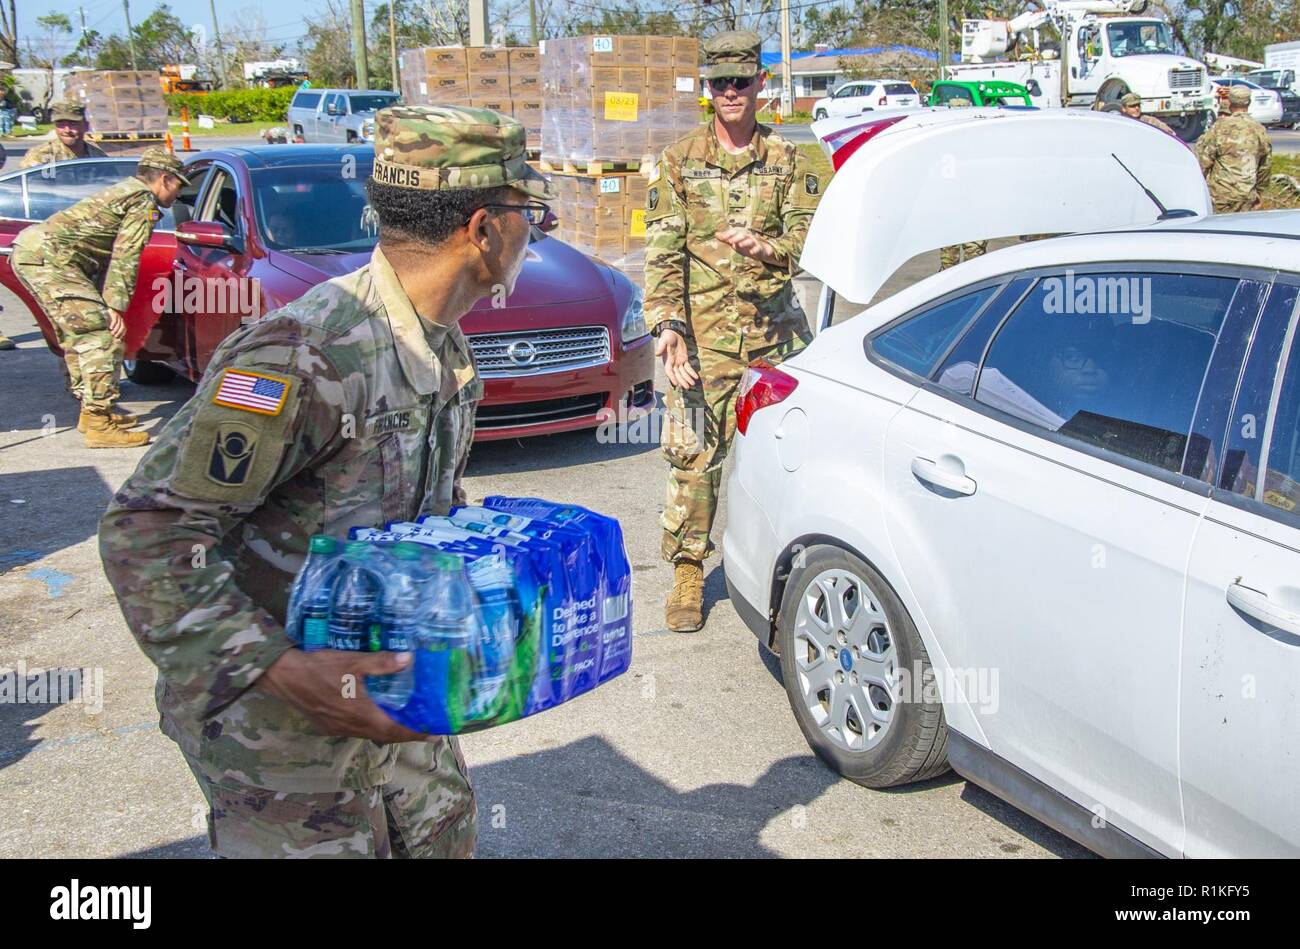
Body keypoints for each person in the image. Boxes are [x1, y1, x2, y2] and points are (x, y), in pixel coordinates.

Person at [99, 106, 554, 859]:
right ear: (483, 227)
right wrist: (279, 668)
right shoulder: (304, 353)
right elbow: (148, 527)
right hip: (281, 732)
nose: (530, 232)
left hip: (392, 704)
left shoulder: (439, 343)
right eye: (526, 211)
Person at [645, 30, 821, 633]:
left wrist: (765, 247)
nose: (729, 92)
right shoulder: (678, 159)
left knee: (794, 452)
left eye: (740, 81)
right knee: (693, 454)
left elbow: (806, 245)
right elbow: (663, 251)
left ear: (761, 85)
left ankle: (793, 562)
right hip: (703, 335)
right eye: (718, 83)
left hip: (777, 337)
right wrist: (666, 325)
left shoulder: (792, 160)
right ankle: (689, 570)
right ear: (707, 90)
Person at [11, 146, 188, 447]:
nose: (178, 195)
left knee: (80, 334)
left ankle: (90, 412)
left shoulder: (126, 190)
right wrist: (115, 307)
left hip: (39, 256)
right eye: (179, 186)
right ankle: (98, 422)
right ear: (165, 178)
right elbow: (126, 255)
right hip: (52, 261)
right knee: (101, 335)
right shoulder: (142, 200)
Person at [1195, 84, 1272, 213]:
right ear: (1249, 103)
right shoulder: (1259, 130)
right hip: (1247, 196)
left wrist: (1196, 187)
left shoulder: (1220, 128)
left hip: (1221, 197)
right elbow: (1265, 165)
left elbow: (1204, 161)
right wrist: (1259, 191)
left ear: (1230, 103)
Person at [18, 101, 108, 168]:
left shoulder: (98, 157)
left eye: (73, 123)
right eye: (60, 124)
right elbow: (30, 187)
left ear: (86, 126)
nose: (67, 130)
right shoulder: (41, 156)